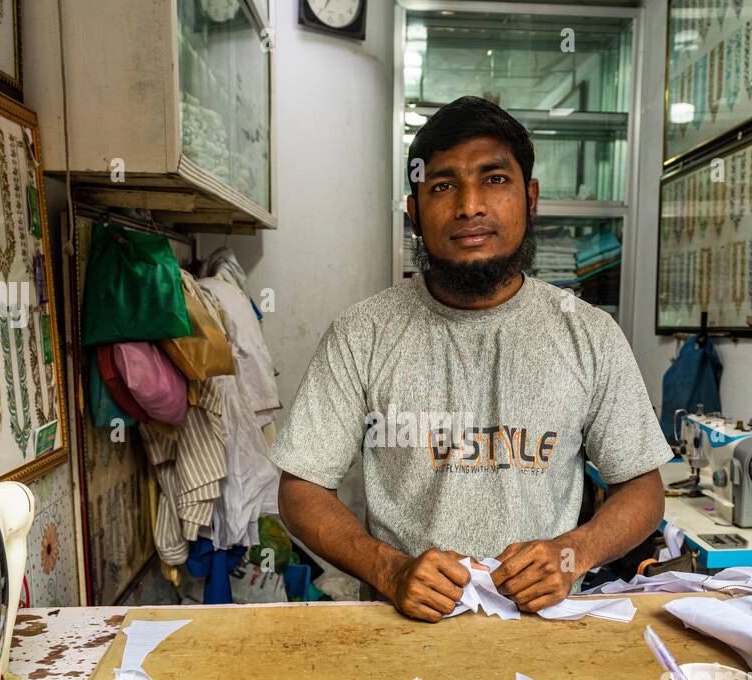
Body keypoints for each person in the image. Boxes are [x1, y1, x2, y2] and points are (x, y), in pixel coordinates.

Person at [269, 96, 671, 622]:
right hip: (403, 629)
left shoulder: (589, 333)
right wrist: (389, 570)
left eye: (495, 179)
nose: (470, 206)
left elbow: (642, 487)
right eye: (442, 186)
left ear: (530, 197)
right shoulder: (362, 333)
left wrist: (572, 555)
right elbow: (300, 489)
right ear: (414, 212)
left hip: (543, 628)